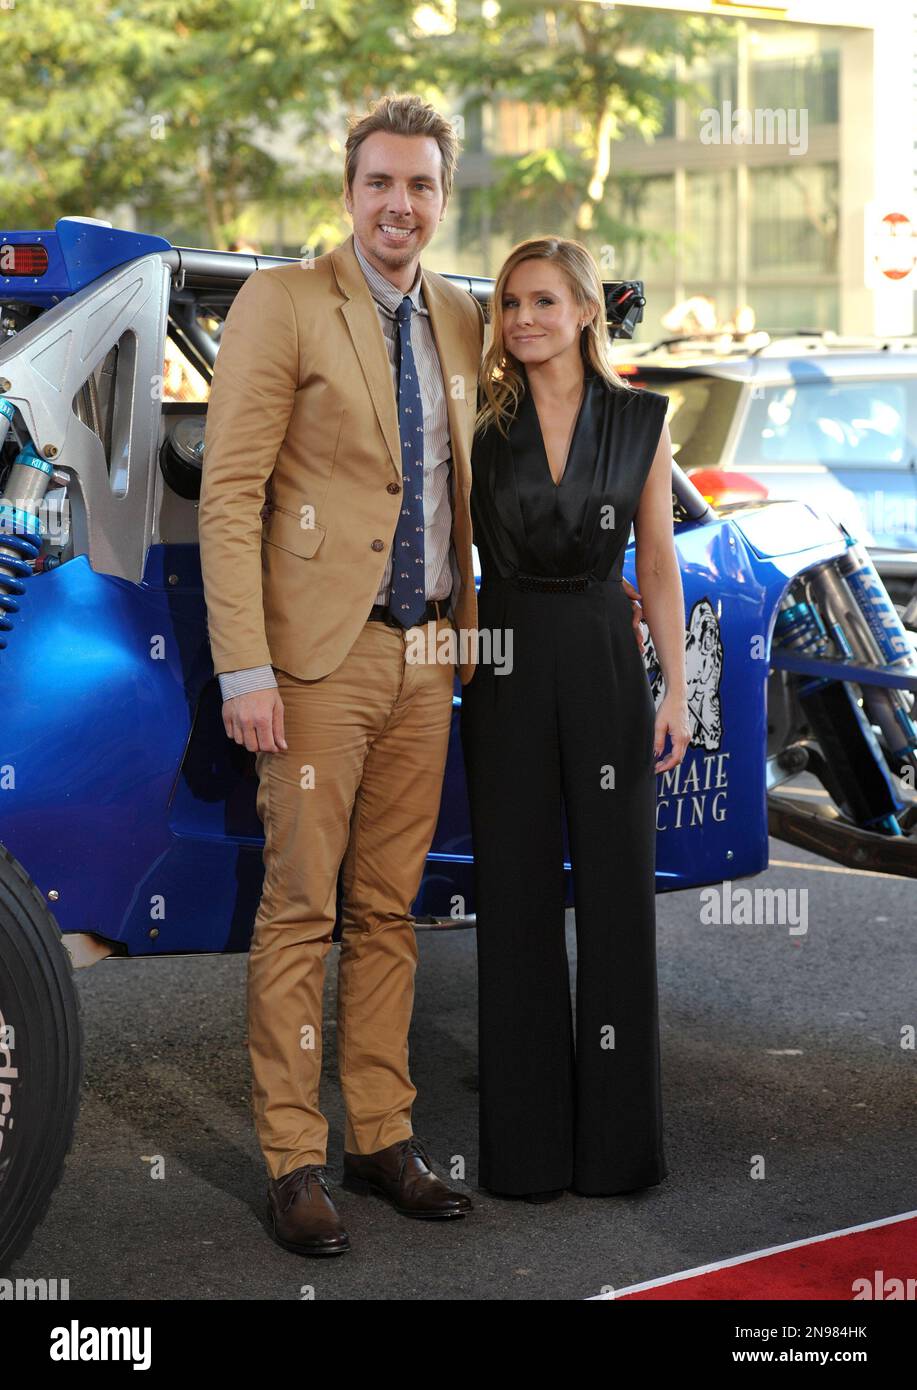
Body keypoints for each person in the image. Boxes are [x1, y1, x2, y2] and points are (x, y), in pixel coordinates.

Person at [198, 94, 485, 1257]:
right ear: (348, 189)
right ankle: (292, 1158)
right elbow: (230, 496)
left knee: (388, 910)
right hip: (314, 663)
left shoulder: (460, 319)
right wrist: (244, 670)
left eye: (419, 186)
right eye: (380, 182)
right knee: (300, 911)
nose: (398, 205)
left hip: (427, 654)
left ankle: (379, 1130)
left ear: (440, 197)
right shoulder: (283, 302)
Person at [459, 236, 690, 1201]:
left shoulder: (639, 420)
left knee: (616, 901)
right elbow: (449, 558)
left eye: (543, 302)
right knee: (510, 905)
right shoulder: (481, 419)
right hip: (506, 659)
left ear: (587, 311)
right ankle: (524, 1156)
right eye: (510, 303)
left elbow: (659, 560)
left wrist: (675, 687)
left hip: (603, 655)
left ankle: (617, 1152)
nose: (521, 320)